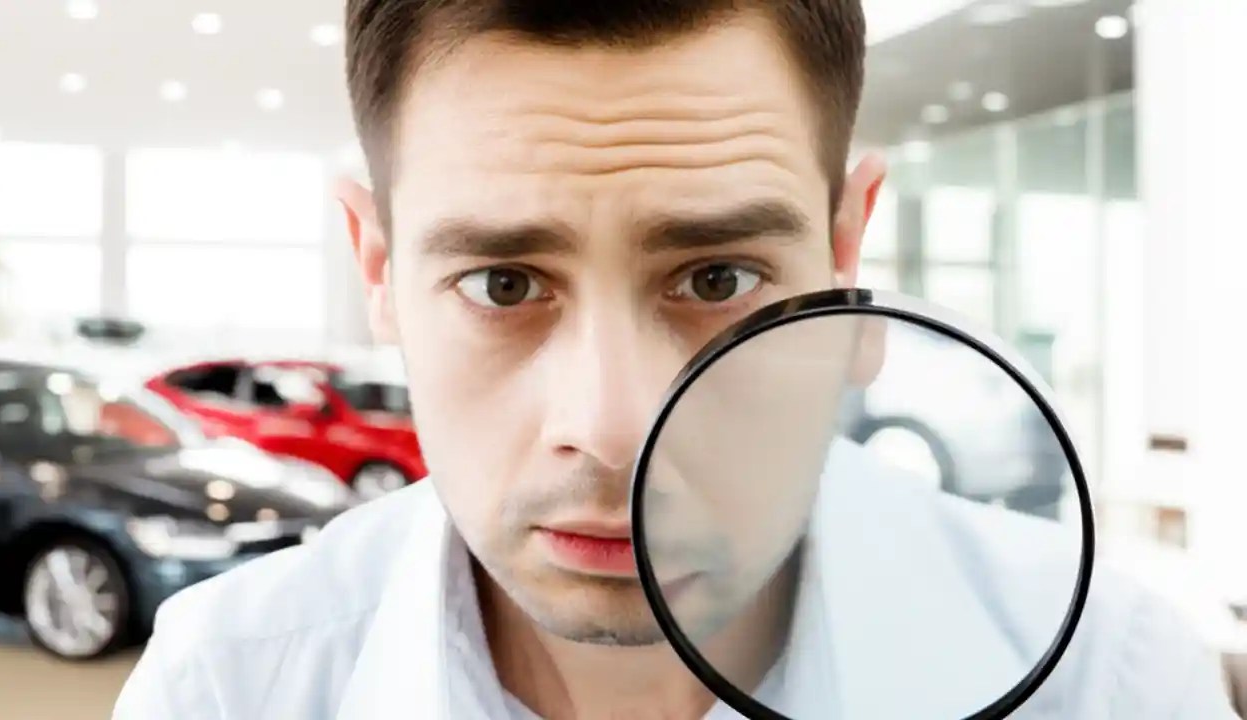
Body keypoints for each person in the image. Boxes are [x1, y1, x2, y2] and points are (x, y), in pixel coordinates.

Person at [113, 1, 1235, 718]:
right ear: (377, 269)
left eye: (715, 279)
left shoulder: (1109, 680)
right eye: (504, 284)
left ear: (847, 258)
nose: (616, 429)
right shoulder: (227, 686)